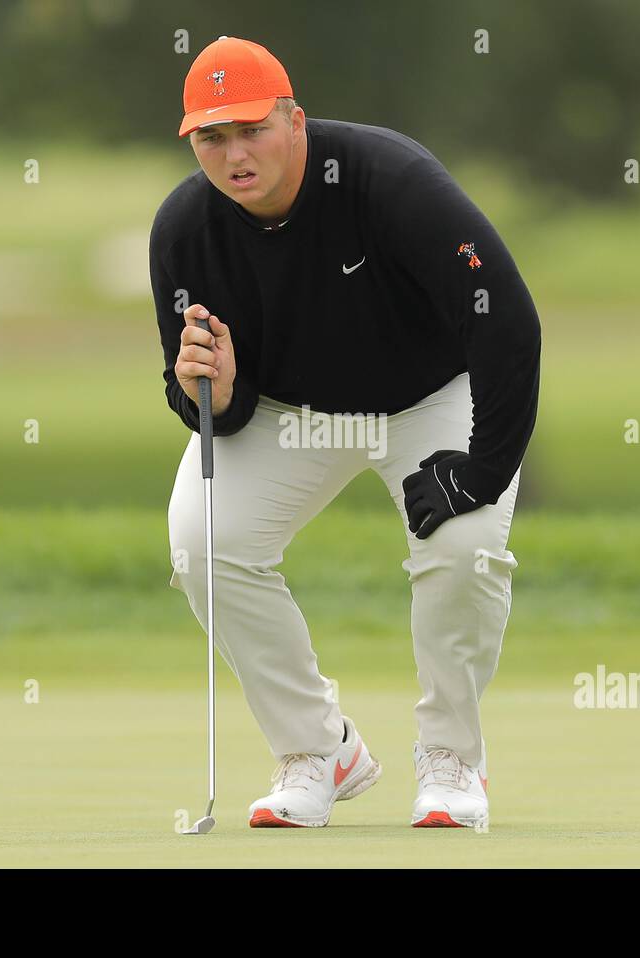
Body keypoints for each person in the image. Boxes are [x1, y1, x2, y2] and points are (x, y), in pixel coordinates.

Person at [150, 36, 540, 828]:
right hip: (291, 412)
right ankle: (316, 748)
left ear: (295, 119)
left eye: (252, 128)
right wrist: (218, 397)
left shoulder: (389, 181)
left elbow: (506, 318)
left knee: (463, 549)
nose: (234, 155)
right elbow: (194, 391)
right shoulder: (184, 230)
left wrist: (483, 469)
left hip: (431, 397)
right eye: (211, 138)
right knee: (203, 541)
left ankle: (453, 759)